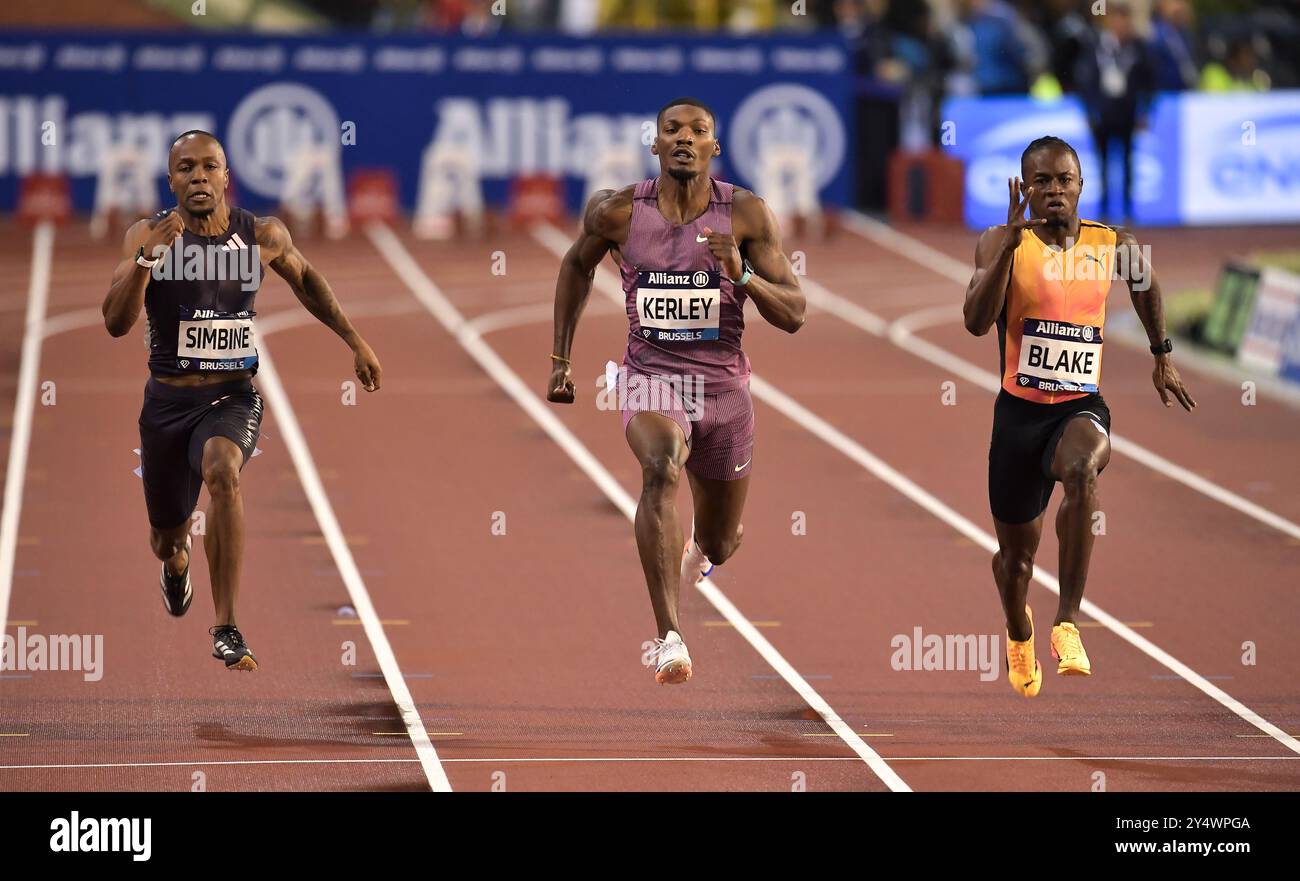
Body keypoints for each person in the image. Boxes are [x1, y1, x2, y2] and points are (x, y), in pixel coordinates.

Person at [101, 130, 383, 670]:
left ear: (227, 176)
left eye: (209, 167)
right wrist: (145, 260)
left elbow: (307, 282)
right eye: (186, 168)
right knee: (166, 538)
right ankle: (177, 565)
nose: (199, 177)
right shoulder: (147, 233)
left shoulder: (261, 235)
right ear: (172, 180)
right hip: (165, 406)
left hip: (231, 397)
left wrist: (354, 340)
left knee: (223, 471)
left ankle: (226, 625)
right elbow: (115, 323)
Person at [547, 98, 806, 685]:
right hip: (652, 377)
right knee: (660, 468)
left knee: (721, 536)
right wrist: (561, 359)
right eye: (672, 131)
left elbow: (795, 313)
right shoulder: (616, 212)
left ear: (715, 147)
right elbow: (574, 267)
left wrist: (741, 274)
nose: (685, 139)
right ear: (655, 144)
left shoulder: (745, 214)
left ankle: (704, 551)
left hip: (724, 389)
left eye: (698, 131)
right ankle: (669, 635)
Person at [962, 136, 1195, 697]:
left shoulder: (1112, 243)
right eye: (1041, 182)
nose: (1054, 191)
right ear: (1025, 188)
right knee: (1014, 562)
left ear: (1081, 185)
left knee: (1081, 472)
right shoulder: (1000, 241)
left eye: (1063, 180)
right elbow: (974, 321)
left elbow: (1148, 286)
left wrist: (1161, 353)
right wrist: (1010, 246)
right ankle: (1021, 631)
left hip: (1079, 407)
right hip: (1018, 415)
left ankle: (1067, 621)